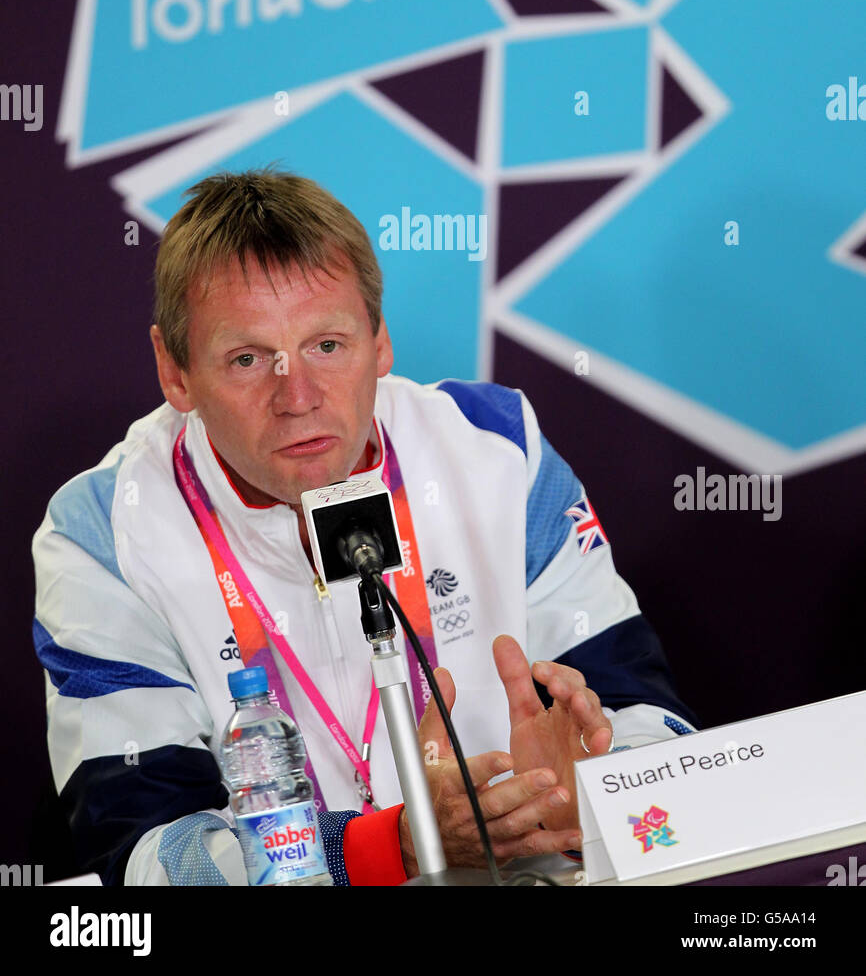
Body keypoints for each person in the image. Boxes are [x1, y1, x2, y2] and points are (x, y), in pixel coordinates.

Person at [32, 169, 698, 885]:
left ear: (380, 341)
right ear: (175, 371)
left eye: (327, 344)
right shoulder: (104, 535)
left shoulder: (497, 449)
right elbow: (145, 863)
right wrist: (387, 848)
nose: (298, 397)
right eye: (248, 359)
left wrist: (590, 798)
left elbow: (651, 722)